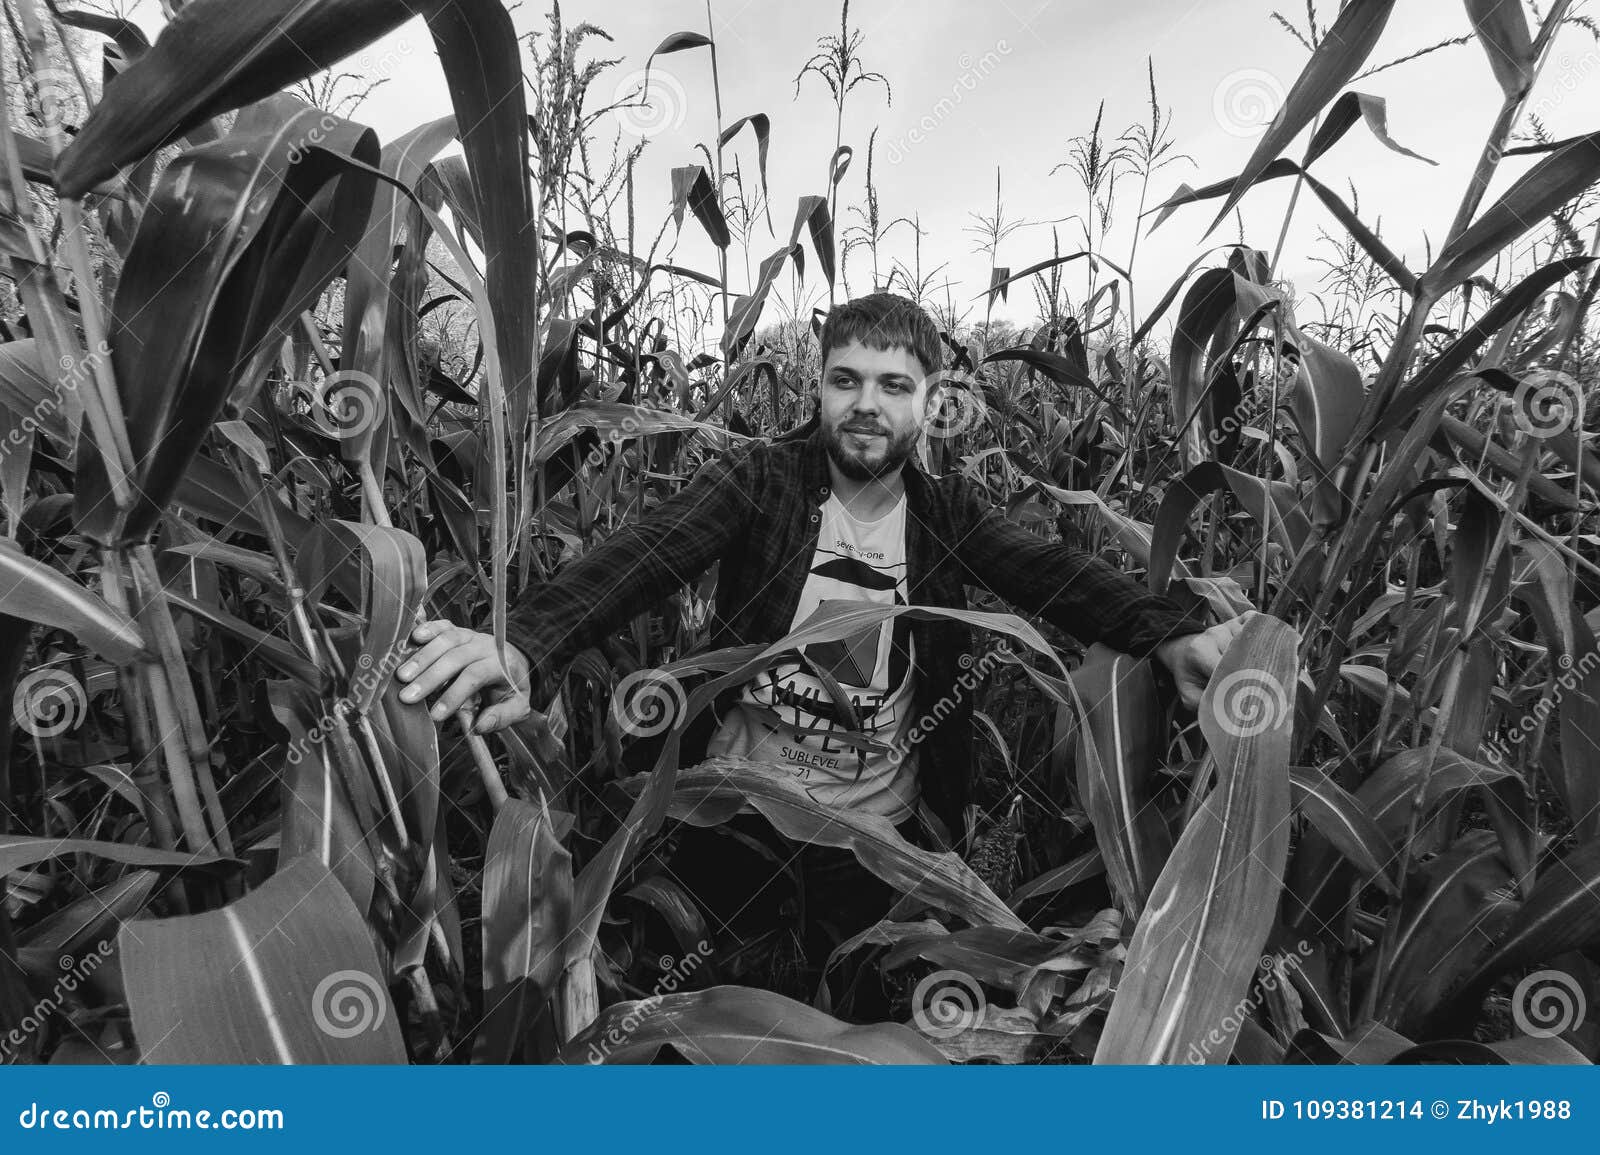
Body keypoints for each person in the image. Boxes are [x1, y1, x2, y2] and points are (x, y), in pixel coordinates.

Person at [394, 292, 1249, 1006]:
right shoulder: (762, 481)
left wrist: (1168, 633)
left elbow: (1054, 575)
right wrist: (527, 644)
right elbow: (647, 556)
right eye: (845, 380)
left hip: (877, 841)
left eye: (892, 384)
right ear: (819, 387)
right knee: (703, 1021)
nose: (866, 403)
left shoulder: (946, 514)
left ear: (929, 400)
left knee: (851, 1025)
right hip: (735, 818)